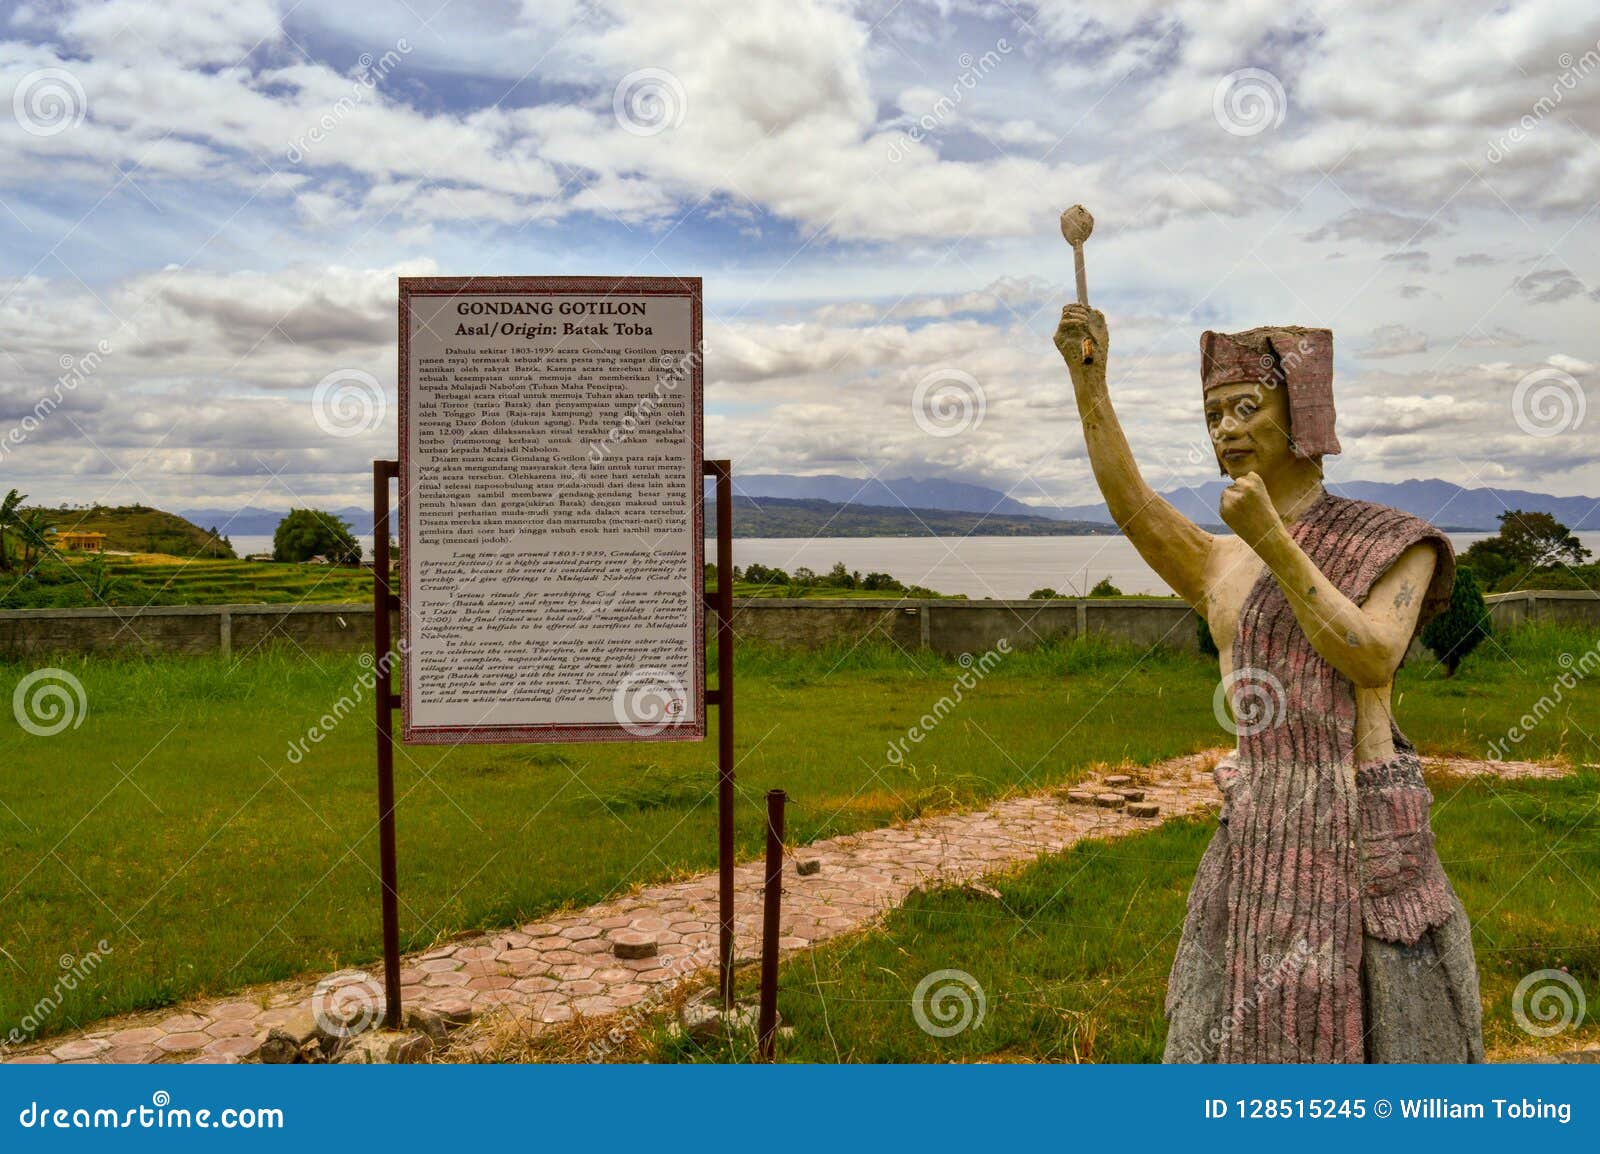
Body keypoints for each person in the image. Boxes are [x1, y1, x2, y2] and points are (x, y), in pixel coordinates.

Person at [1053, 304, 1484, 1063]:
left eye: (1247, 408)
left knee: (1397, 1049)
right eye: (1213, 414)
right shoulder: (1221, 563)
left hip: (1359, 831)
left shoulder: (1393, 542)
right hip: (1257, 832)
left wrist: (1274, 542)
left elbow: (1373, 655)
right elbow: (1134, 507)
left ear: (1306, 416)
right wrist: (1090, 387)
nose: (1224, 429)